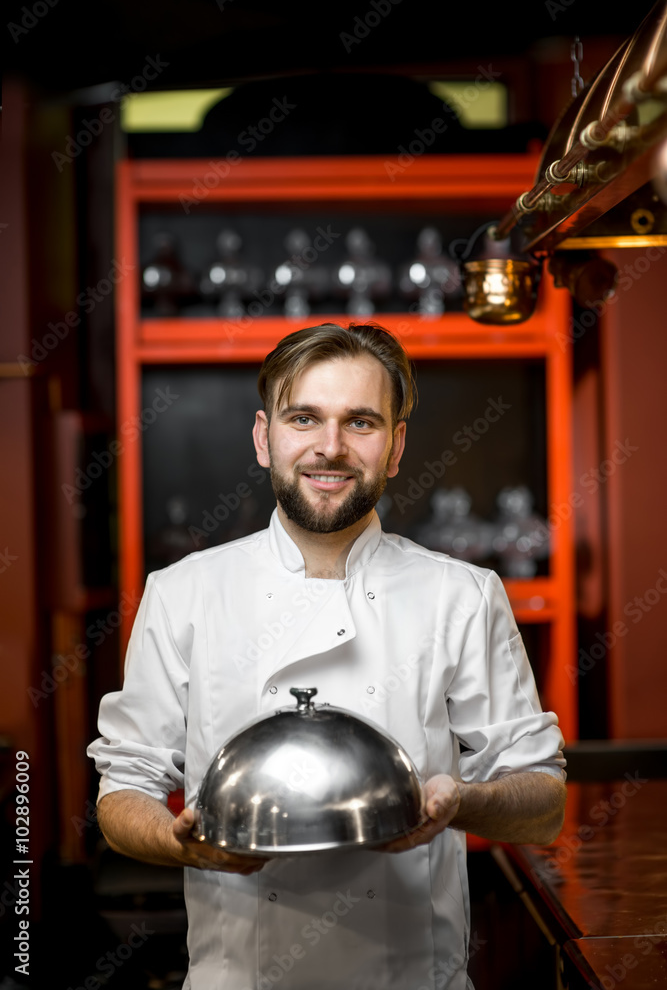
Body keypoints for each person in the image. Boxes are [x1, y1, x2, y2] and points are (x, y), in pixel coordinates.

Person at [88, 322, 566, 990]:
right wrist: (180, 842)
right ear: (264, 437)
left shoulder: (461, 594)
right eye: (304, 417)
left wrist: (460, 802)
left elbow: (543, 803)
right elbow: (122, 792)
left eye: (361, 421)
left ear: (396, 446)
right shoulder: (183, 594)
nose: (330, 448)